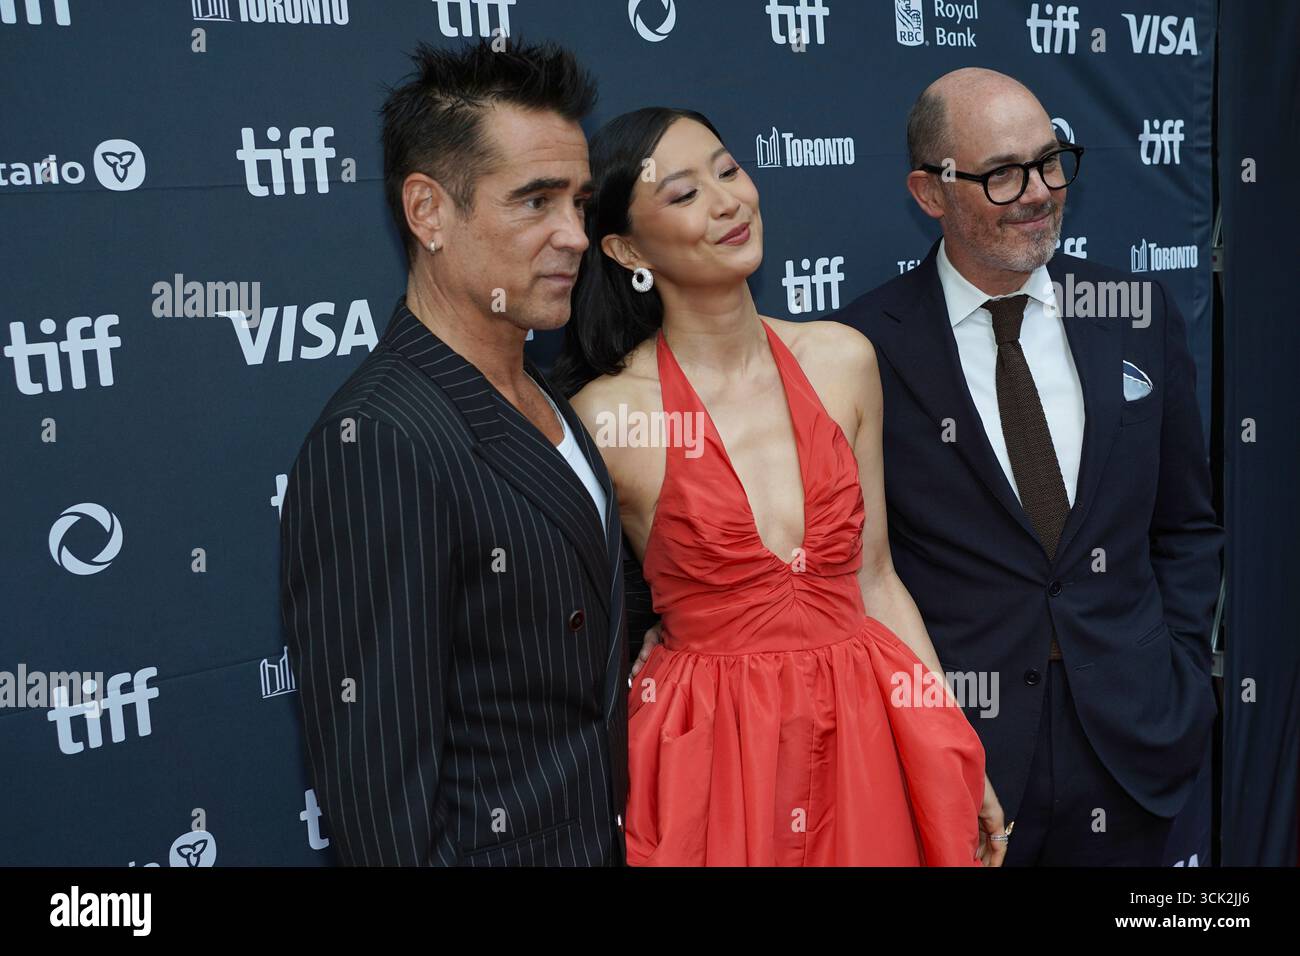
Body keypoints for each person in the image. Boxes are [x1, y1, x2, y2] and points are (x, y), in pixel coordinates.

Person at [553, 108, 1001, 866]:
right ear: (626, 247)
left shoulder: (843, 359)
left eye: (729, 172)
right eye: (686, 194)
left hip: (867, 732)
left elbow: (878, 580)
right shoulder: (608, 417)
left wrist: (957, 747)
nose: (729, 202)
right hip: (715, 755)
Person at [835, 68, 1223, 865]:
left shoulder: (1137, 315)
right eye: (1003, 173)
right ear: (929, 191)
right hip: (958, 752)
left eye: (1051, 162)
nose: (1039, 192)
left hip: (1133, 739)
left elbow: (1184, 524)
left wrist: (1178, 671)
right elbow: (855, 565)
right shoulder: (862, 344)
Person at [280, 39, 633, 866]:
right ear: (428, 211)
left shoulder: (546, 394)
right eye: (536, 201)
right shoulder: (378, 443)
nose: (575, 236)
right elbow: (380, 804)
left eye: (579, 202)